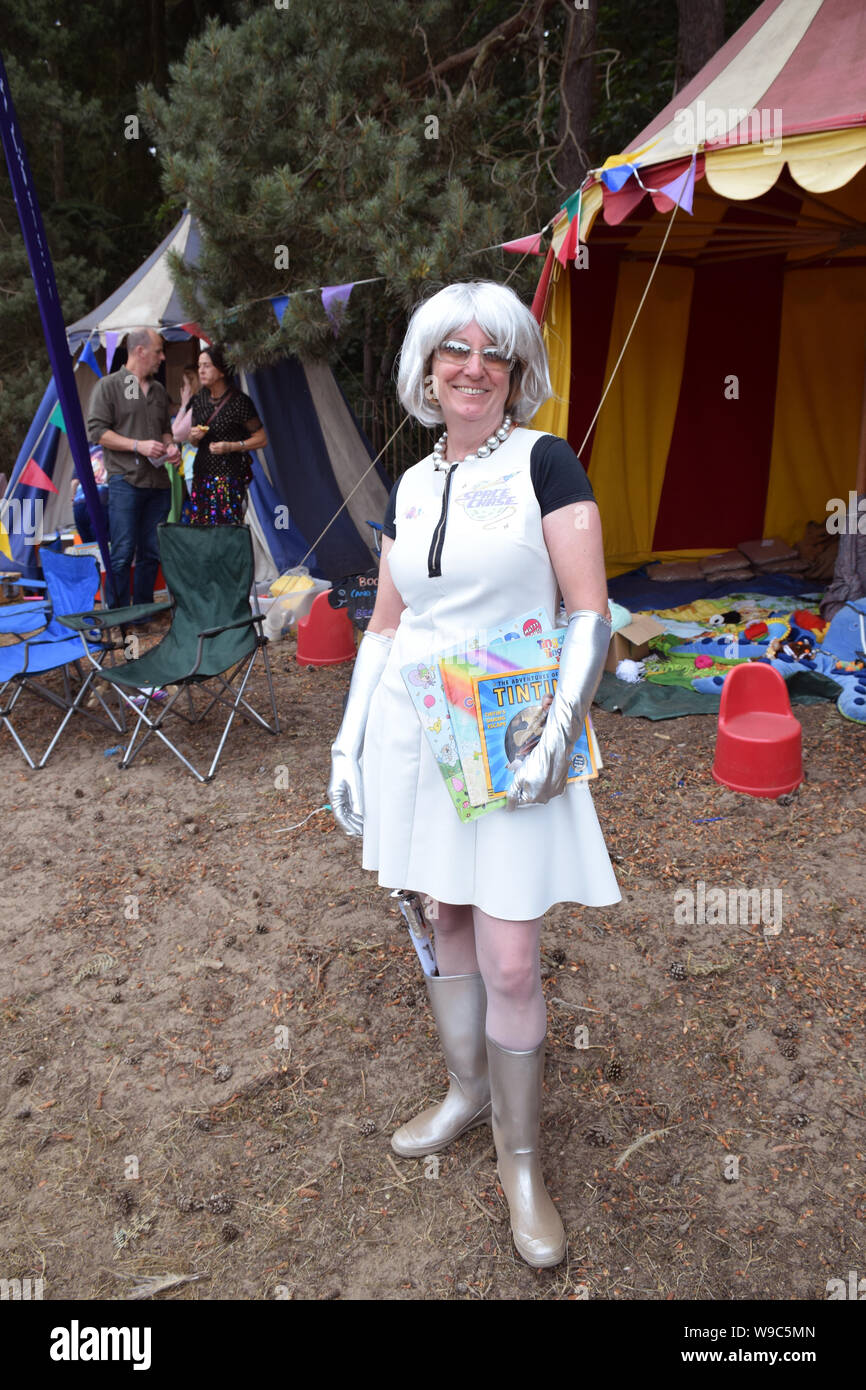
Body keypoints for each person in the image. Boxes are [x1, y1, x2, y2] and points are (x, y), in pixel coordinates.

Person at [328, 281, 621, 1269]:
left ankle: (522, 1164)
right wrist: (345, 742)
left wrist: (557, 727)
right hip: (418, 737)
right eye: (450, 350)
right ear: (424, 368)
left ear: (513, 368)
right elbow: (384, 625)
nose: (469, 366)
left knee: (507, 956)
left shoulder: (545, 461)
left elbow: (589, 611)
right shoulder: (410, 486)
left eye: (489, 351)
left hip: (511, 737)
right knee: (442, 917)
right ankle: (464, 1091)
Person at [87, 327, 180, 606]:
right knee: (124, 551)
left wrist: (171, 446)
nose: (162, 357)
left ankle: (143, 611)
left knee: (151, 551)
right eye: (158, 351)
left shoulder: (159, 390)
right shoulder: (109, 386)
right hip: (125, 481)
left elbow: (165, 430)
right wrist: (137, 445)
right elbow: (97, 432)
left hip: (159, 484)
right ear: (140, 351)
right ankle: (116, 615)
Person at [184, 345, 266, 525]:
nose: (201, 371)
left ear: (221, 371)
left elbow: (261, 438)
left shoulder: (239, 402)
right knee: (202, 529)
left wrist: (232, 446)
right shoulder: (199, 400)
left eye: (206, 366)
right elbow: (194, 441)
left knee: (227, 528)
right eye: (199, 366)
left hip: (230, 476)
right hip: (202, 474)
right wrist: (194, 437)